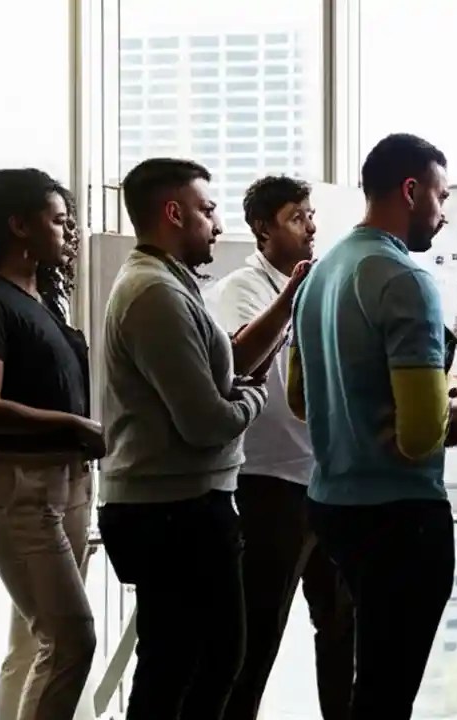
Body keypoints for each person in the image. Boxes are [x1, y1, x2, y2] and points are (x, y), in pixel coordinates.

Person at [289, 132, 457, 718]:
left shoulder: (319, 276)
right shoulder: (405, 280)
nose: (442, 215)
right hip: (400, 519)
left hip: (333, 507)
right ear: (412, 190)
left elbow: (300, 399)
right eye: (441, 198)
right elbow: (421, 436)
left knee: (362, 685)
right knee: (386, 694)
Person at [98, 158, 268, 719]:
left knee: (198, 661)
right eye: (208, 210)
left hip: (182, 506)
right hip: (172, 512)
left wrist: (286, 304)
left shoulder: (172, 285)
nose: (217, 225)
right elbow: (204, 422)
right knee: (190, 665)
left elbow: (224, 368)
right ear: (174, 213)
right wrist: (254, 397)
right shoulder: (153, 294)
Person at [0, 168, 101, 720]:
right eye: (58, 220)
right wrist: (76, 427)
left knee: (37, 644)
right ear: (19, 226)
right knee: (73, 641)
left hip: (69, 482)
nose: (69, 231)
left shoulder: (41, 300)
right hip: (20, 489)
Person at [207, 175, 355, 720]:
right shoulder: (241, 289)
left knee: (340, 622)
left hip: (323, 479)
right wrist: (292, 299)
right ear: (263, 228)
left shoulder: (318, 285)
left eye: (311, 214)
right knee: (259, 628)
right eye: (297, 216)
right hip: (267, 483)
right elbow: (241, 361)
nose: (311, 225)